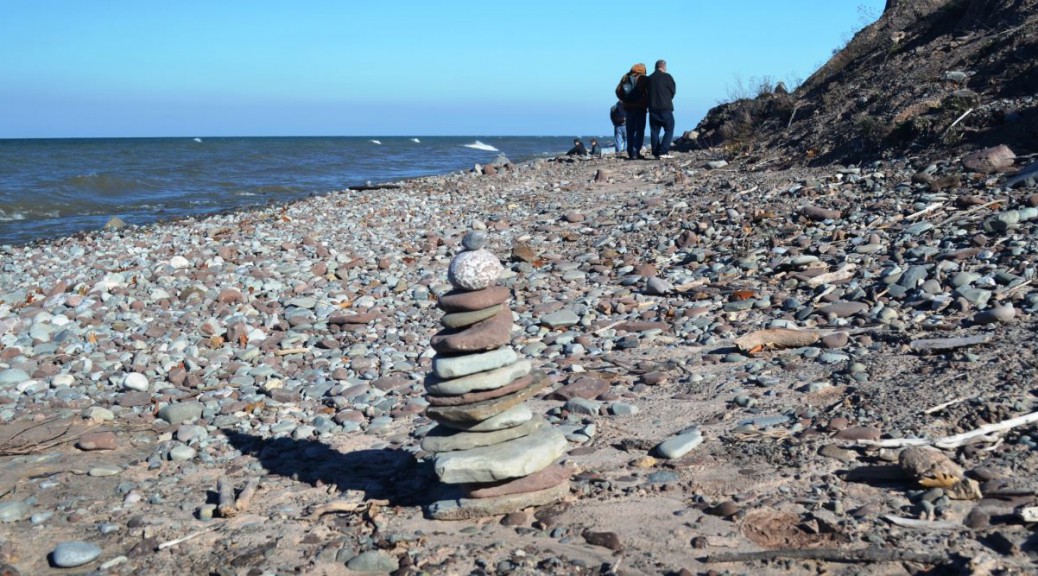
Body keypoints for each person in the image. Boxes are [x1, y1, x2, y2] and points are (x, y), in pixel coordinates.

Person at [615, 63, 649, 159]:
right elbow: (649, 92)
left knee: (630, 131)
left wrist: (624, 100)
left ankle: (630, 151)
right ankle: (635, 152)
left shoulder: (625, 77)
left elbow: (617, 91)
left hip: (628, 108)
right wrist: (646, 102)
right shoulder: (644, 78)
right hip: (640, 108)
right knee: (639, 131)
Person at [647, 59, 677, 159]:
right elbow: (673, 91)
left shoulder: (649, 78)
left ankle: (655, 153)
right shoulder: (667, 77)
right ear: (663, 67)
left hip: (652, 108)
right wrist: (667, 98)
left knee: (654, 131)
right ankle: (663, 151)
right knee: (669, 129)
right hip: (665, 108)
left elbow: (646, 93)